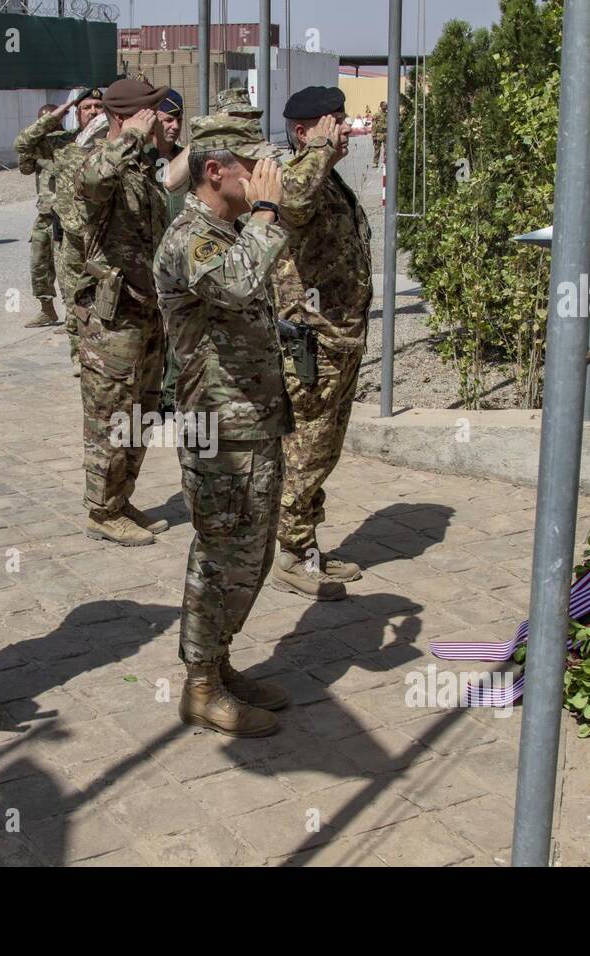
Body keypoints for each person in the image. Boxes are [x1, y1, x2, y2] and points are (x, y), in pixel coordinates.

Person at [154, 114, 293, 737]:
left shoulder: (228, 232)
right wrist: (265, 214)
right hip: (219, 428)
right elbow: (236, 285)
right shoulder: (192, 237)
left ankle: (219, 660)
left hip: (252, 420)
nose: (269, 177)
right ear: (216, 172)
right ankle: (200, 685)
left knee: (254, 552)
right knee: (220, 555)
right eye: (254, 166)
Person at [272, 85, 373, 601]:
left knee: (325, 448)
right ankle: (290, 553)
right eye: (331, 122)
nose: (342, 130)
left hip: (340, 337)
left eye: (341, 119)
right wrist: (316, 150)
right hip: (313, 341)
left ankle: (306, 542)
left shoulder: (328, 178)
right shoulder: (294, 175)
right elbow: (291, 202)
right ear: (302, 130)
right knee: (306, 447)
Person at [74, 77, 173, 547]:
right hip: (112, 320)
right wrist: (131, 133)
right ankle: (100, 510)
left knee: (142, 411)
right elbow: (93, 180)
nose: (160, 118)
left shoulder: (140, 166)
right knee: (111, 414)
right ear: (123, 117)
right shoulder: (96, 159)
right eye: (150, 111)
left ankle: (119, 498)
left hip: (146, 309)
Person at [51, 88, 107, 373]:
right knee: (74, 296)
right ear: (77, 112)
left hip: (102, 237)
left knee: (104, 298)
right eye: (87, 107)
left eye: (99, 106)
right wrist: (55, 116)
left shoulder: (111, 145)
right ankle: (78, 354)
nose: (94, 111)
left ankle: (101, 352)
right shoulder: (62, 144)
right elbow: (23, 146)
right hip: (70, 237)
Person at [14, 102, 75, 329]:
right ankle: (47, 310)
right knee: (39, 263)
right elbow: (25, 167)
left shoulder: (68, 141)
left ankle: (73, 315)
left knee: (66, 267)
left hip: (64, 214)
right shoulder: (37, 144)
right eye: (42, 120)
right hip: (44, 213)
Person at [153, 87, 186, 415]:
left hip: (177, 264)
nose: (174, 125)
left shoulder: (186, 159)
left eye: (178, 118)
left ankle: (170, 396)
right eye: (167, 118)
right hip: (145, 262)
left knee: (177, 331)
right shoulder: (139, 160)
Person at [372, 100, 387, 168]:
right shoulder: (377, 115)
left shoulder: (388, 114)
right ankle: (375, 163)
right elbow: (374, 126)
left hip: (386, 134)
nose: (386, 106)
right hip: (378, 134)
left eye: (386, 105)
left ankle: (386, 162)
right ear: (381, 106)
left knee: (387, 149)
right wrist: (373, 135)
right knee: (377, 149)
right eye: (384, 105)